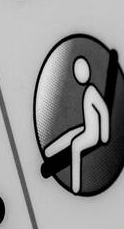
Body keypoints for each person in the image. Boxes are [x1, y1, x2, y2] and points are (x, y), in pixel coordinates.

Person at [42, 56, 110, 194]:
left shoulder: (91, 92)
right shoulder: (88, 91)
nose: (79, 75)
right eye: (77, 72)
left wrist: (104, 136)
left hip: (92, 134)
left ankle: (76, 186)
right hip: (87, 128)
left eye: (80, 71)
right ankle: (48, 151)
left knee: (75, 145)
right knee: (69, 134)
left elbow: (103, 110)